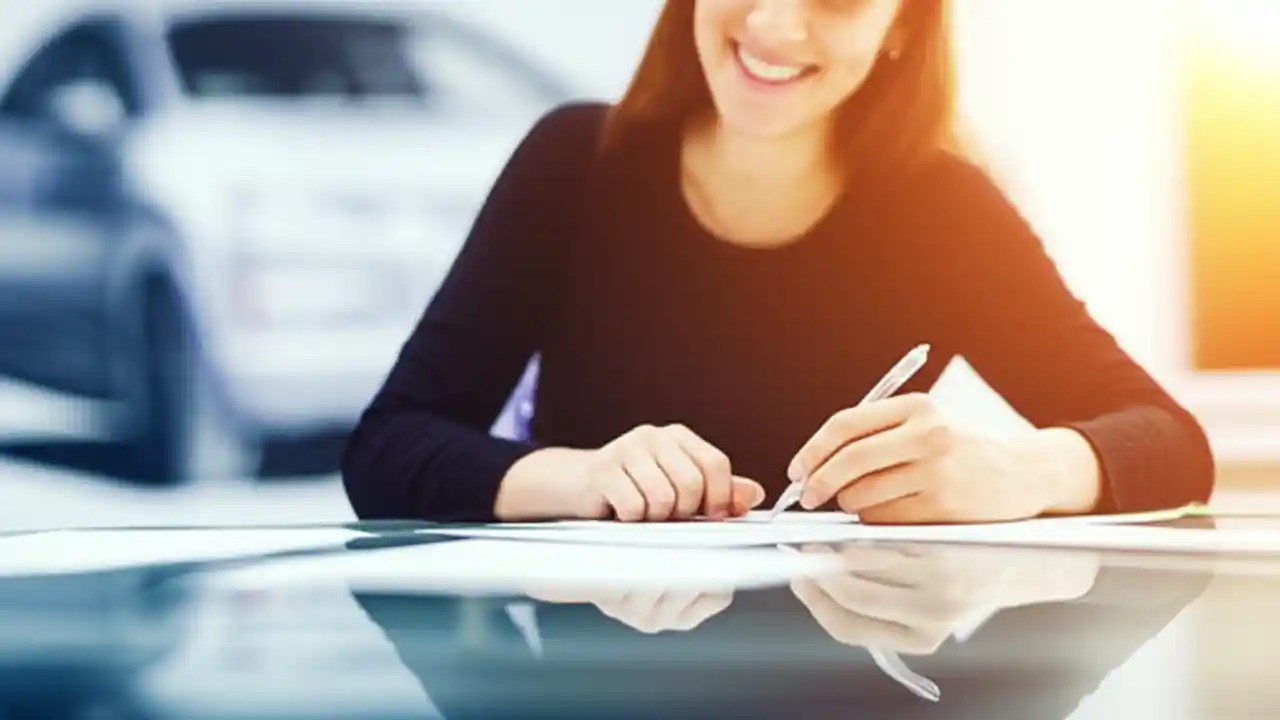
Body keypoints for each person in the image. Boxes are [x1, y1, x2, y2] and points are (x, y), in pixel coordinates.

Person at [342, 0, 1214, 524]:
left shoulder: (946, 210)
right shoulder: (576, 163)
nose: (772, 24)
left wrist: (1018, 471)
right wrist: (583, 477)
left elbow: (1172, 442)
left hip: (850, 682)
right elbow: (387, 449)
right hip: (601, 678)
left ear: (902, 26)